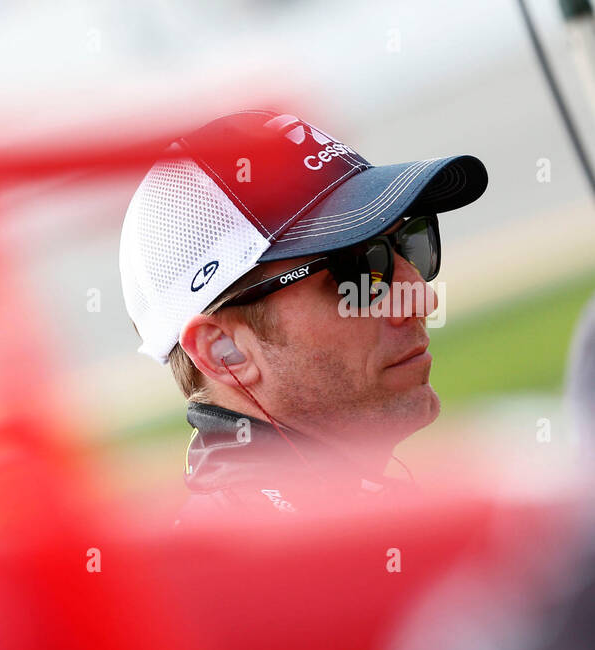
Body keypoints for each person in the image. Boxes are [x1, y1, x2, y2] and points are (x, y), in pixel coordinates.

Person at [118, 110, 487, 521]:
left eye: (408, 241)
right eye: (359, 269)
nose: (419, 297)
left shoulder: (341, 524)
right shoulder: (264, 569)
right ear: (224, 350)